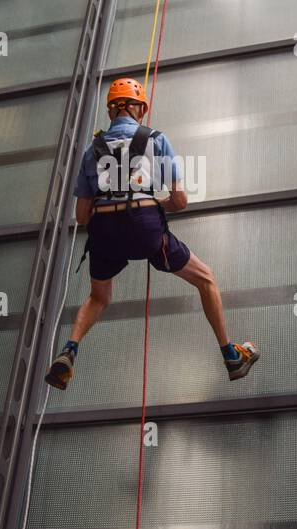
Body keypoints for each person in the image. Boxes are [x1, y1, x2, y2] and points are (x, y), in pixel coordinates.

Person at [44, 76, 259, 390]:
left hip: (104, 231)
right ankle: (231, 356)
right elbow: (180, 201)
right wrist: (152, 203)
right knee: (206, 279)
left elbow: (81, 215)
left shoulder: (93, 150)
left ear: (111, 112)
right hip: (145, 226)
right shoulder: (155, 139)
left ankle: (69, 350)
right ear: (140, 109)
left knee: (98, 298)